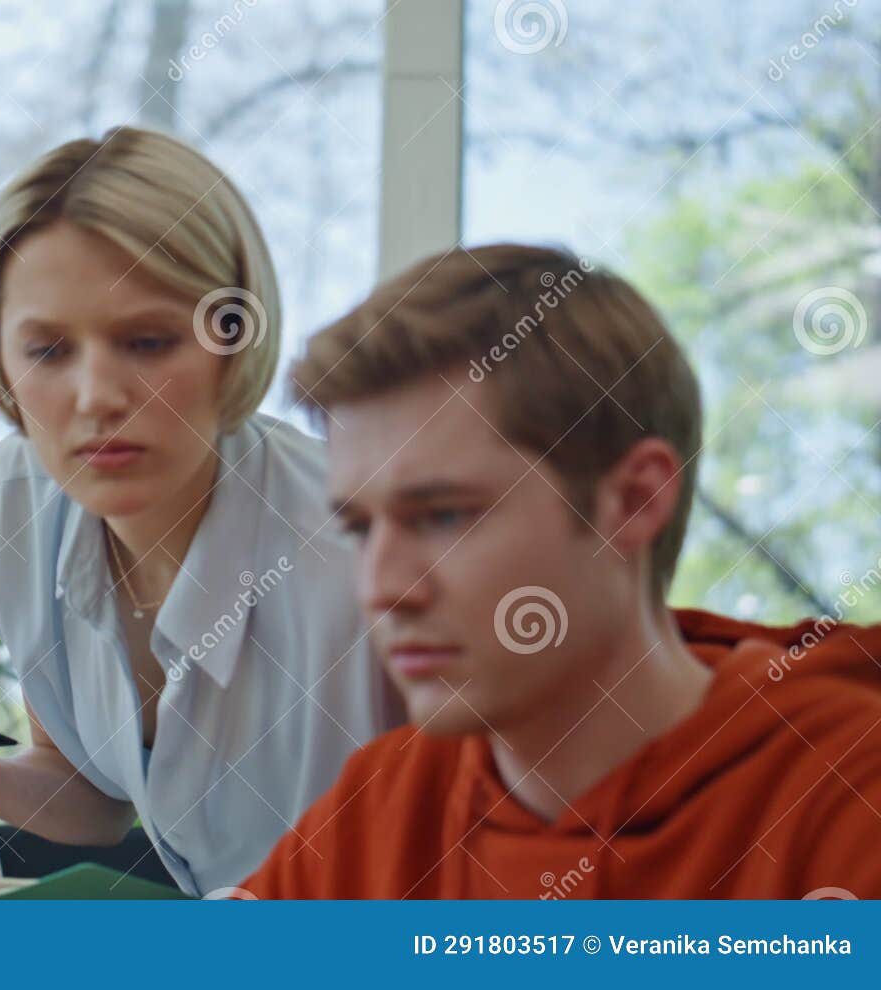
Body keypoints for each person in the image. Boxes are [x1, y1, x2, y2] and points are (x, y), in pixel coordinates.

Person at [0, 125, 403, 895]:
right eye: (47, 351)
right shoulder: (6, 513)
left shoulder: (361, 546)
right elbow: (100, 799)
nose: (97, 397)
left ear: (234, 340)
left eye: (147, 341)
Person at [241, 243, 881, 898]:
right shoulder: (378, 810)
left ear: (635, 501)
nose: (382, 589)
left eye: (443, 516)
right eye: (359, 527)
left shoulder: (846, 803)